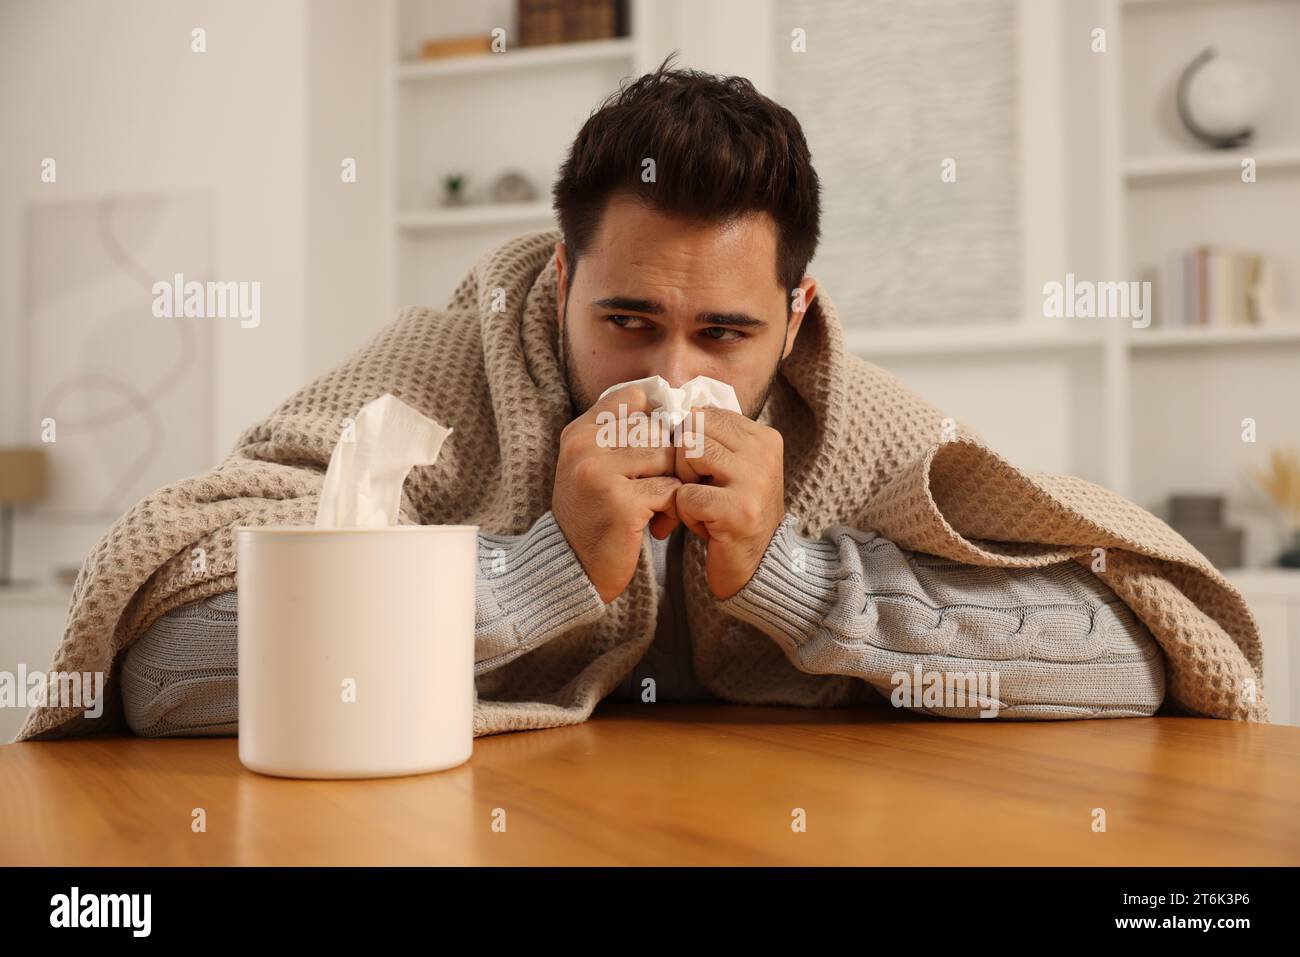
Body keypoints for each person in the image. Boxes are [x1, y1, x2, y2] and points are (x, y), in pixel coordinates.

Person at [118, 58, 1165, 736]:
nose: (672, 380)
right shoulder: (437, 371)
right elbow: (164, 664)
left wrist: (797, 581)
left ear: (794, 320)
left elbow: (1132, 657)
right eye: (628, 322)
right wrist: (533, 574)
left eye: (724, 334)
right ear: (563, 286)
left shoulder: (849, 420)